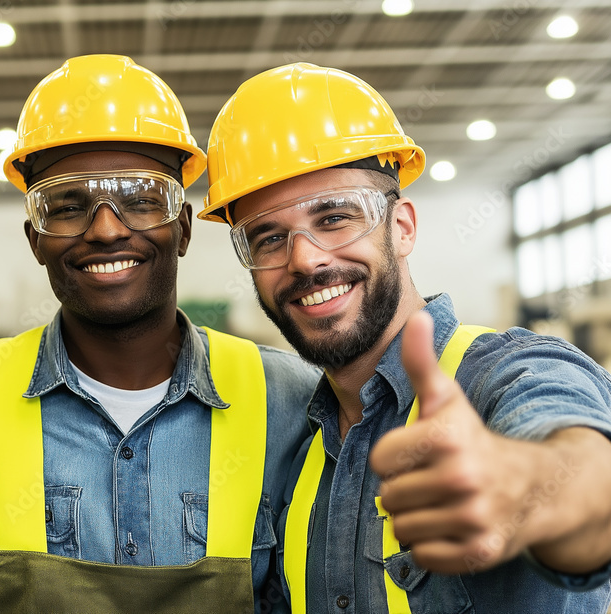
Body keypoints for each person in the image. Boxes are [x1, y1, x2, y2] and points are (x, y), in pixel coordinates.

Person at [0, 54, 320, 613]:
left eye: (141, 200)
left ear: (183, 229)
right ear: (35, 239)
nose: (105, 229)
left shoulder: (289, 399)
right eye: (68, 206)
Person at [198, 61, 611, 613]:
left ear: (402, 226)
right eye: (269, 238)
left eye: (335, 217)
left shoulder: (502, 374)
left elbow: (585, 475)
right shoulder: (299, 455)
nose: (304, 259)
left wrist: (527, 483)